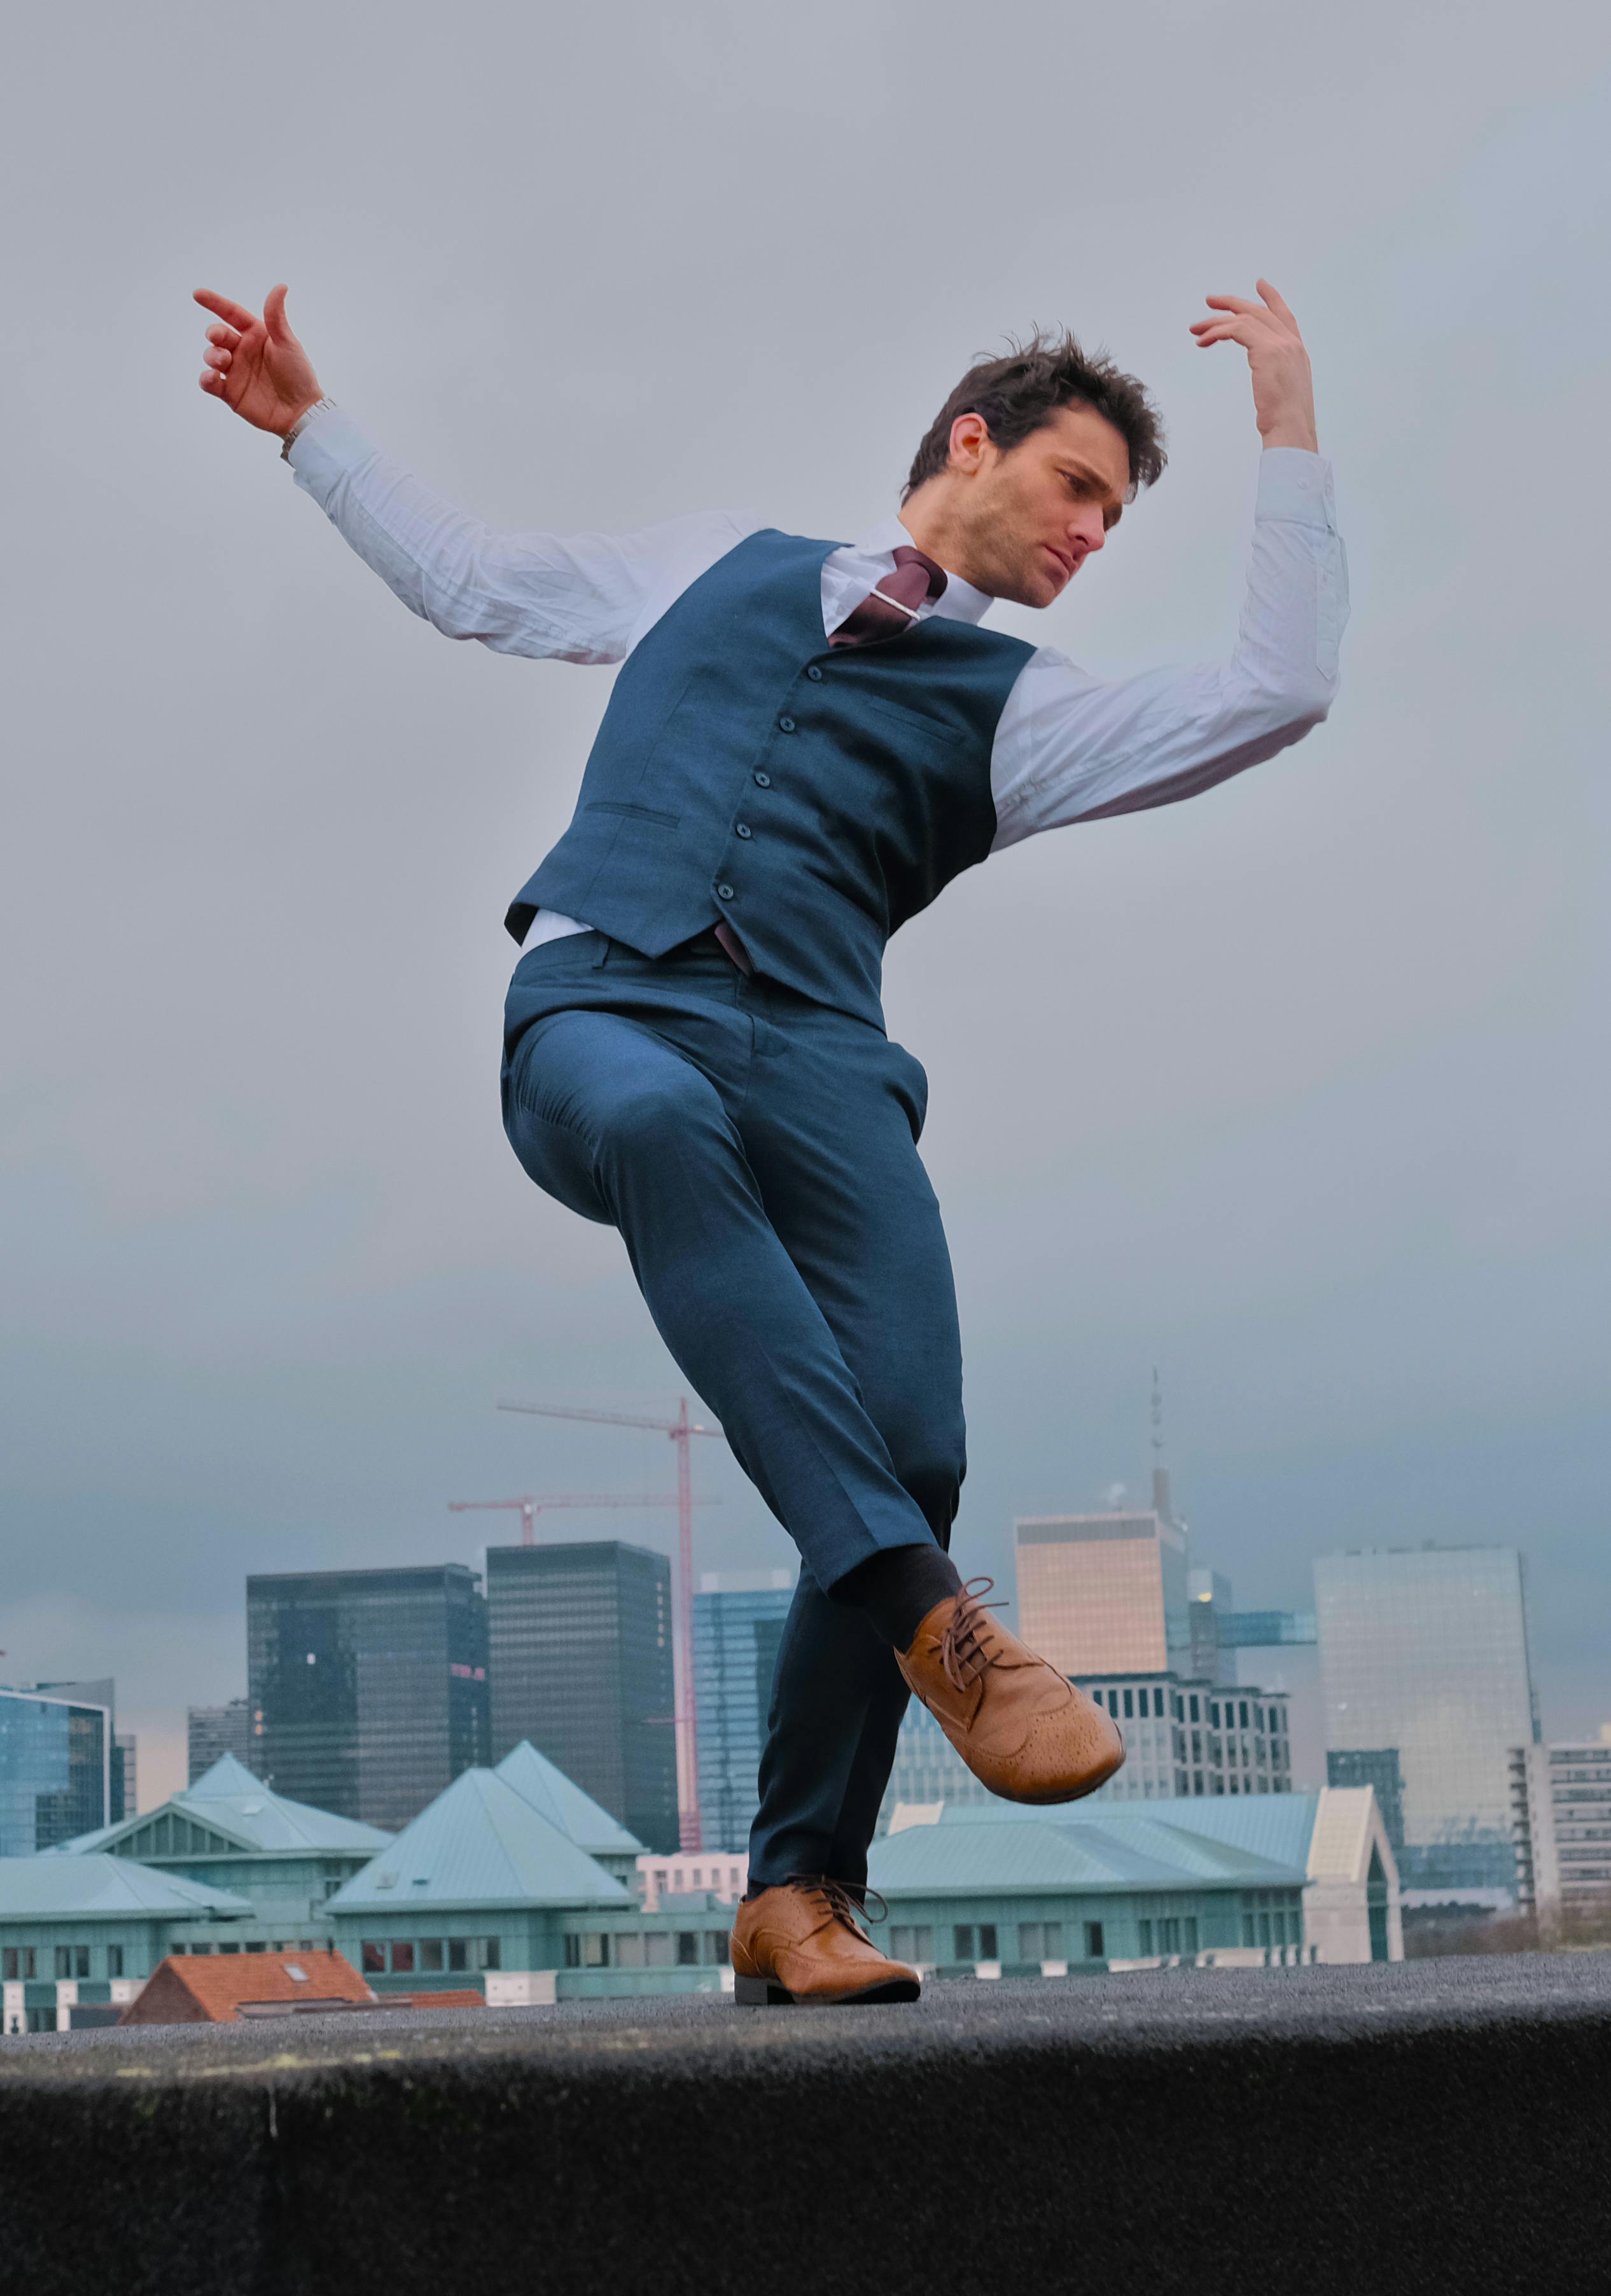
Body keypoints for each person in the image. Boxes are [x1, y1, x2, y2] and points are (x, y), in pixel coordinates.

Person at [193, 278, 1346, 2006]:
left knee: (913, 1432)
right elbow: (476, 584)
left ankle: (795, 1895)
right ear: (975, 439)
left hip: (819, 1056)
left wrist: (1289, 424)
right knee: (655, 1124)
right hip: (608, 1005)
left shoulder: (1022, 710)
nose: (1096, 536)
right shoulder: (714, 565)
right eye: (1082, 489)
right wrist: (312, 430)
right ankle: (931, 1615)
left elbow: (1276, 687)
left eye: (1116, 517)